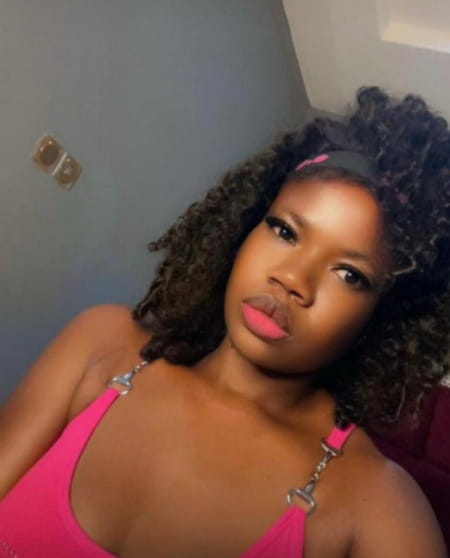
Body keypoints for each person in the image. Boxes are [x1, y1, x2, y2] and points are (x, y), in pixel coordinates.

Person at [0, 86, 449, 558]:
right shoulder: (102, 343)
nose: (292, 278)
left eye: (349, 274)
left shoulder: (378, 506)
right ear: (245, 227)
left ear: (384, 316)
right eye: (284, 230)